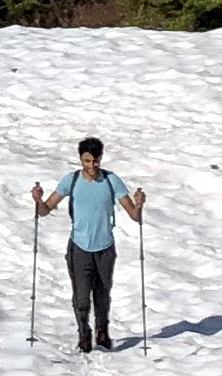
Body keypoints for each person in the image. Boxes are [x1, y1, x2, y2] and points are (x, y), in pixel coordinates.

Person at [34, 138, 145, 352]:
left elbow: (134, 215)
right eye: (87, 161)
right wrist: (38, 201)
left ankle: (102, 332)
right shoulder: (71, 180)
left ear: (100, 159)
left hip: (105, 247)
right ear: (80, 159)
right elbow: (46, 209)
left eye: (95, 161)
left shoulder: (112, 181)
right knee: (82, 296)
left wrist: (139, 204)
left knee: (103, 293)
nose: (91, 166)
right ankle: (84, 332)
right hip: (79, 247)